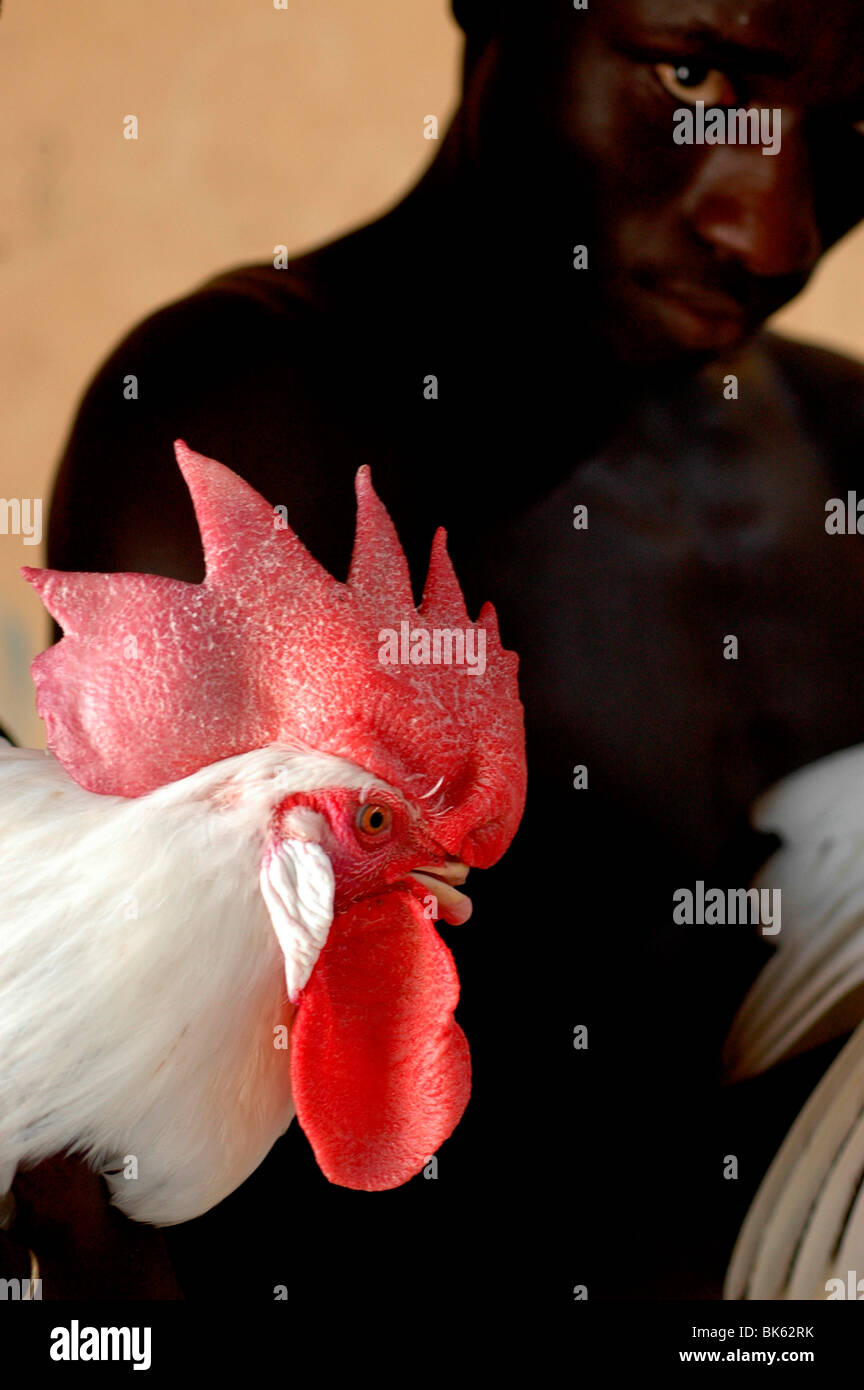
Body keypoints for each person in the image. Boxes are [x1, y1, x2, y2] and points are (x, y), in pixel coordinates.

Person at [13, 0, 864, 1303]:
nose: (775, 229)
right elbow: (167, 1201)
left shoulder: (848, 444)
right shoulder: (249, 427)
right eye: (694, 75)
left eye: (859, 123)